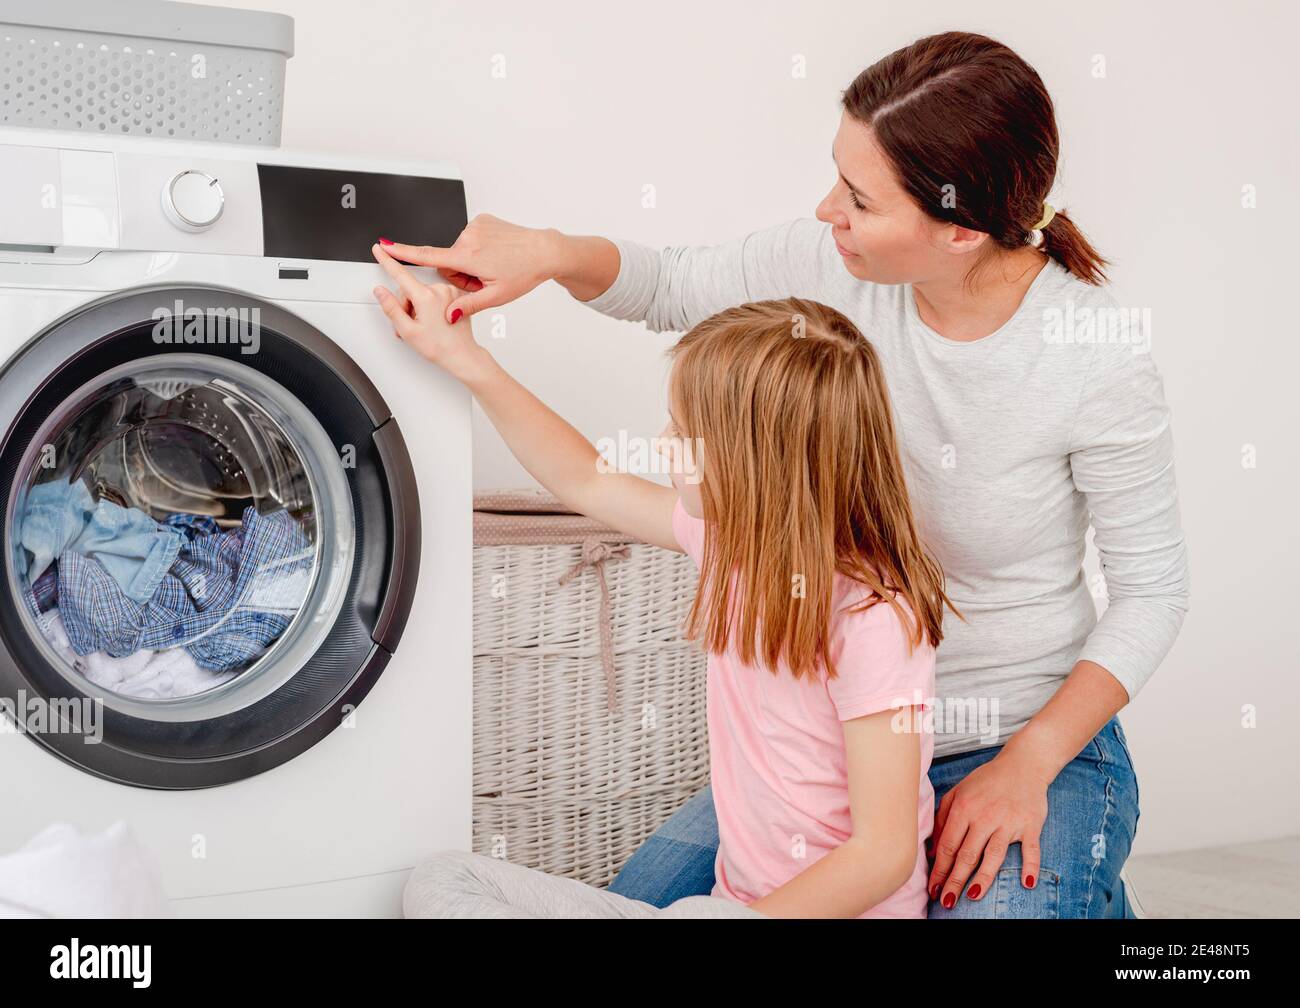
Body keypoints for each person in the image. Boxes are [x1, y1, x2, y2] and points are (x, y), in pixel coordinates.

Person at [376, 30, 1189, 918]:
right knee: (635, 900)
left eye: (860, 198)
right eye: (838, 175)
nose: (824, 210)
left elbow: (1153, 592)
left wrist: (1026, 766)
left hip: (1017, 737)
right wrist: (547, 258)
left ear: (958, 228)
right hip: (831, 759)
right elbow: (667, 293)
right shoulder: (835, 264)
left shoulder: (1089, 358)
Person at [372, 267, 954, 918]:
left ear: (748, 460)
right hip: (725, 907)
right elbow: (584, 480)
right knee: (442, 881)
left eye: (681, 432)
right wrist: (467, 361)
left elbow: (883, 852)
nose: (662, 444)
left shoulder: (874, 619)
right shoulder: (731, 543)